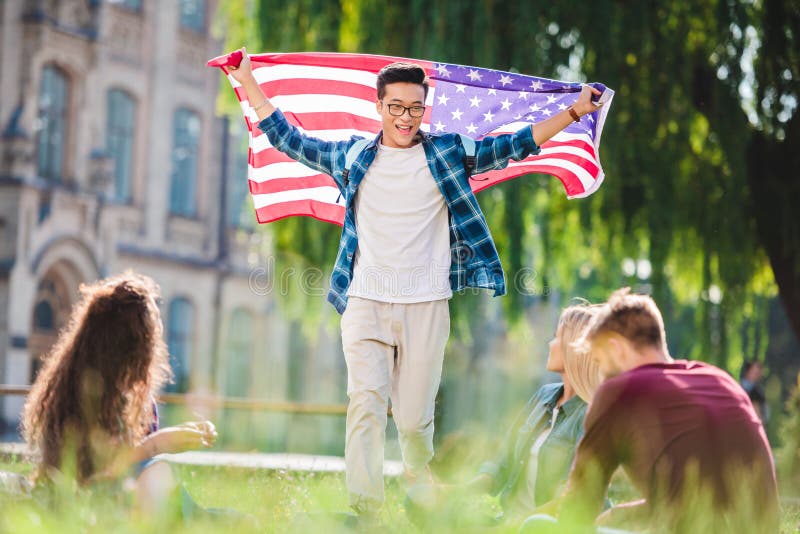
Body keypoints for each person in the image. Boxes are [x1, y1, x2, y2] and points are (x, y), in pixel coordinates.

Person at [228, 48, 602, 516]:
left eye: (415, 107)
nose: (405, 117)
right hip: (365, 300)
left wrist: (573, 111)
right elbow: (291, 140)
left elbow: (511, 146)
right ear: (379, 106)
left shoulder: (445, 151)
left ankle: (416, 478)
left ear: (425, 108)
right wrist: (247, 80)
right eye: (396, 107)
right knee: (365, 401)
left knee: (411, 422)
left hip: (425, 305)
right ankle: (365, 510)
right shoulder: (353, 154)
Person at [522, 288, 779, 533]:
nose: (601, 376)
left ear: (617, 348)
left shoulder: (618, 392)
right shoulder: (721, 380)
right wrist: (621, 514)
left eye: (600, 362)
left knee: (536, 526)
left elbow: (577, 509)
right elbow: (704, 493)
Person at [21, 272, 219, 518]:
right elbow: (97, 476)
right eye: (151, 333)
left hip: (134, 510)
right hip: (103, 514)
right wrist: (157, 445)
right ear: (131, 342)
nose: (158, 340)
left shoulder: (127, 395)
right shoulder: (87, 395)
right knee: (157, 471)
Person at [470, 303, 602, 521]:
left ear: (575, 348)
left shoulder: (592, 414)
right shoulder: (543, 396)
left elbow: (576, 499)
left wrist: (514, 527)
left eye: (556, 337)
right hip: (509, 521)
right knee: (419, 501)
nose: (550, 344)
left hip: (544, 527)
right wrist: (454, 491)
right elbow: (502, 464)